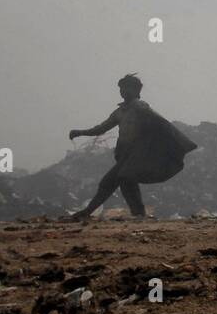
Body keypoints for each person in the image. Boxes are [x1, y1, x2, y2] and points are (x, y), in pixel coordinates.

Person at [62, 74, 197, 220]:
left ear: (136, 90)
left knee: (121, 178)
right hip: (125, 155)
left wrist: (176, 141)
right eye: (122, 88)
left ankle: (92, 212)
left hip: (138, 153)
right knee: (118, 181)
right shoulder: (119, 112)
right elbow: (101, 128)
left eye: (128, 88)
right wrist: (81, 132)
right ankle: (136, 213)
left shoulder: (140, 106)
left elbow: (160, 123)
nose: (124, 91)